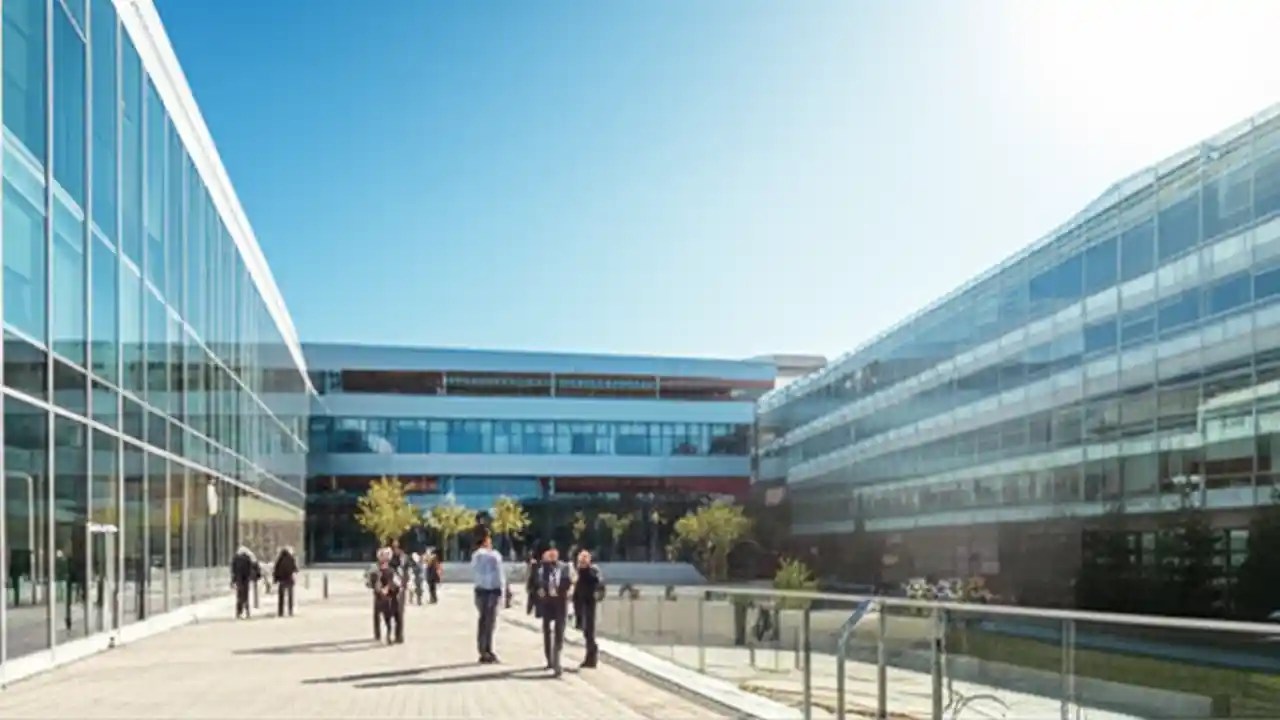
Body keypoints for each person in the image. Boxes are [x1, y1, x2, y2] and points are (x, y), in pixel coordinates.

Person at [534, 546, 572, 676]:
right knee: (547, 630)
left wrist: (562, 590)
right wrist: (541, 592)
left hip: (560, 602)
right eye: (549, 555)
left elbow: (568, 582)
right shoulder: (542, 569)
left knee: (559, 632)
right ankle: (549, 659)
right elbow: (538, 584)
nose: (552, 556)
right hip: (547, 603)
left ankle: (557, 661)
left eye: (554, 554)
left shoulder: (565, 567)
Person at [470, 531, 505, 664]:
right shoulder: (494, 555)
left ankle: (483, 649)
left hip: (480, 590)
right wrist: (502, 590)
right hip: (492, 590)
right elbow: (499, 574)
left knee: (483, 621)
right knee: (489, 622)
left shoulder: (475, 556)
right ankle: (487, 650)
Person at [572, 549, 605, 669]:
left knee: (589, 632)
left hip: (589, 604)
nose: (581, 562)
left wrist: (597, 594)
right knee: (586, 632)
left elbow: (599, 585)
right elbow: (577, 589)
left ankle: (592, 657)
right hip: (580, 604)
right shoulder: (579, 572)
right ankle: (590, 656)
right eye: (580, 560)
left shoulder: (592, 571)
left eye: (584, 560)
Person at [374, 548, 403, 644]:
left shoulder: (392, 570)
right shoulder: (376, 571)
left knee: (397, 617)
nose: (385, 558)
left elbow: (397, 582)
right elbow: (372, 583)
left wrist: (390, 587)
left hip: (393, 596)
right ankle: (387, 636)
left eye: (386, 555)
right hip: (382, 598)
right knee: (387, 619)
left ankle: (398, 636)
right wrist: (380, 589)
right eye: (383, 556)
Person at [230, 546, 256, 619]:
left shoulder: (235, 558)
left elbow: (233, 570)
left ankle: (238, 612)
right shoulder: (247, 558)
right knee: (246, 596)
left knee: (239, 596)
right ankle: (247, 612)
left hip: (239, 579)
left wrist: (233, 580)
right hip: (246, 579)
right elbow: (251, 568)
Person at [273, 546, 298, 617]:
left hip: (282, 580)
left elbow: (276, 570)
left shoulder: (279, 560)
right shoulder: (291, 559)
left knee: (281, 597)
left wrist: (275, 579)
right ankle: (290, 611)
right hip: (289, 579)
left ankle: (280, 612)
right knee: (290, 597)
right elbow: (295, 569)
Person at [524, 552, 539, 616]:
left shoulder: (533, 563)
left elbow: (530, 574)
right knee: (534, 597)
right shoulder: (535, 563)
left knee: (531, 597)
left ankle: (529, 610)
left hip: (533, 581)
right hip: (534, 581)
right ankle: (533, 611)